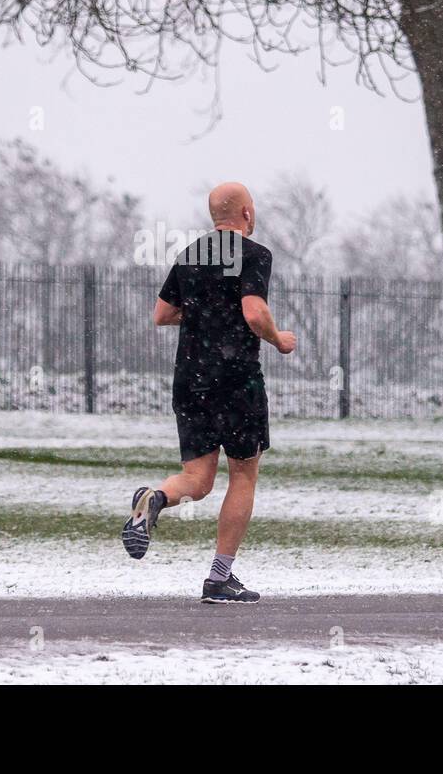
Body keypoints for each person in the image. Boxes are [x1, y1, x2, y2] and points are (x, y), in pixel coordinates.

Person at [121, 182, 296, 603]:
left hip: (191, 378)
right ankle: (219, 579)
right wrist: (278, 339)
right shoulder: (255, 255)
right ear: (247, 215)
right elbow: (254, 313)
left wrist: (206, 314)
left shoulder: (190, 255)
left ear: (213, 216)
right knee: (243, 474)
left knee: (197, 480)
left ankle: (157, 497)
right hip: (237, 379)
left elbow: (162, 315)